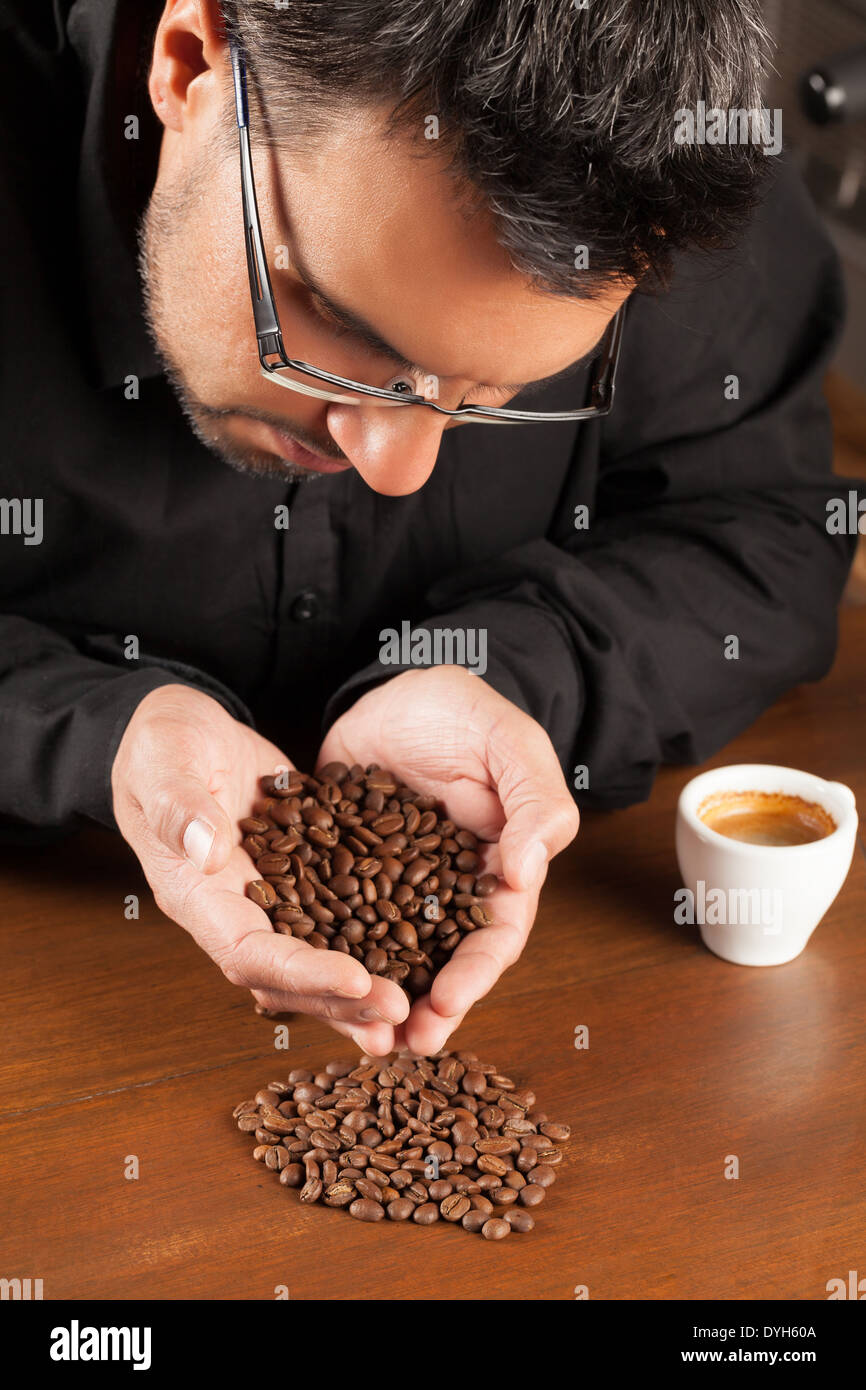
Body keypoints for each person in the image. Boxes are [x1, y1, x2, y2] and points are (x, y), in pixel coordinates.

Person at [0, 1, 858, 1056]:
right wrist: (88, 737)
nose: (395, 466)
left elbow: (763, 528)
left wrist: (509, 677)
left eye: (498, 393)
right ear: (189, 62)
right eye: (341, 328)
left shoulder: (664, 147)